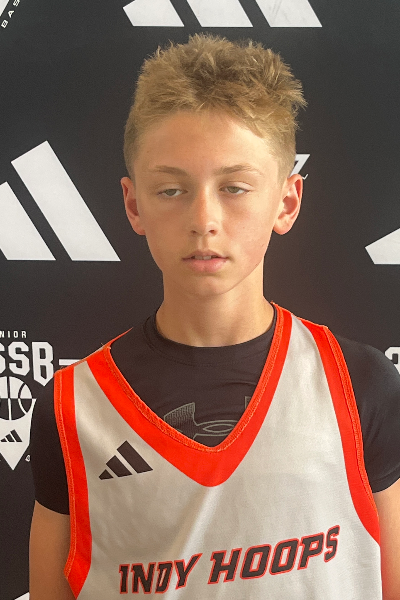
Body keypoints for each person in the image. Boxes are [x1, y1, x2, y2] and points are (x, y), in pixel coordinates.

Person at [29, 33, 400, 599]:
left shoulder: (360, 386)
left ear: (286, 202)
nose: (204, 218)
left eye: (235, 187)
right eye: (171, 190)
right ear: (133, 204)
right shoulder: (73, 408)